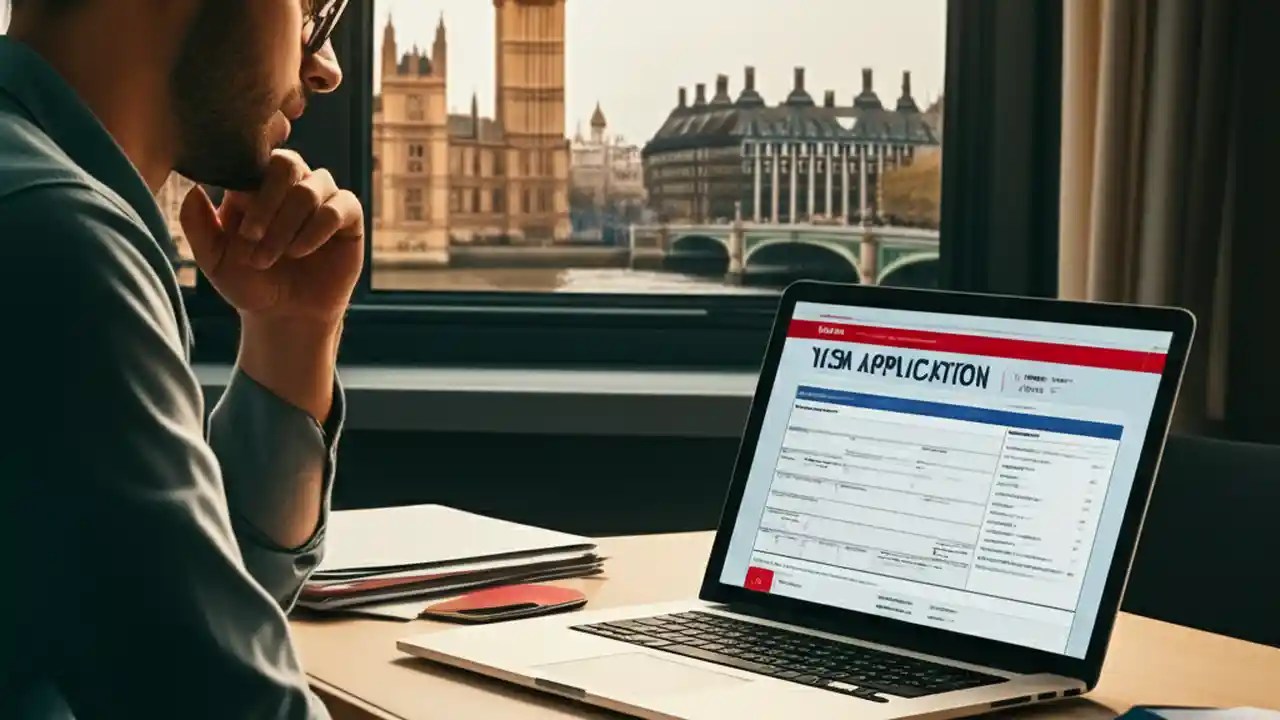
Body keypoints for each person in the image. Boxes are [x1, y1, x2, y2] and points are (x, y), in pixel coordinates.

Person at [0, 0, 360, 717]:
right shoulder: (54, 237)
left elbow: (183, 612)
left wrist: (291, 335)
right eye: (311, 12)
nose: (324, 69)